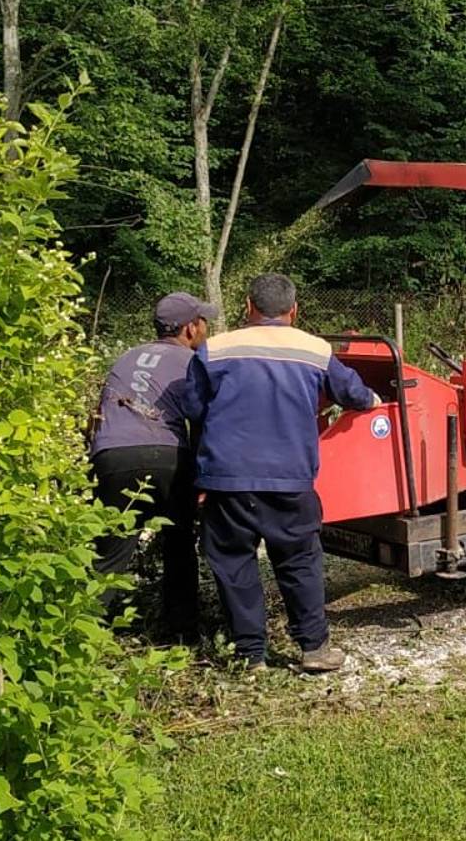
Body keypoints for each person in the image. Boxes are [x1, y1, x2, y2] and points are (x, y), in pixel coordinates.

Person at [184, 273, 381, 672]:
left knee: (235, 565)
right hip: (289, 479)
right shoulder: (314, 349)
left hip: (228, 479)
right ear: (294, 310)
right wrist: (373, 399)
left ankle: (251, 654)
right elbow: (356, 394)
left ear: (247, 306)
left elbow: (192, 407)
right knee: (299, 561)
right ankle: (314, 649)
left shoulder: (214, 350)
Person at [89, 291, 218, 641]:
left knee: (112, 549)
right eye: (203, 320)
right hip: (166, 455)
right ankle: (182, 633)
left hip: (112, 454)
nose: (207, 326)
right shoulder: (192, 362)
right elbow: (201, 418)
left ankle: (83, 633)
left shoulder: (126, 357)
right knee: (178, 544)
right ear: (190, 328)